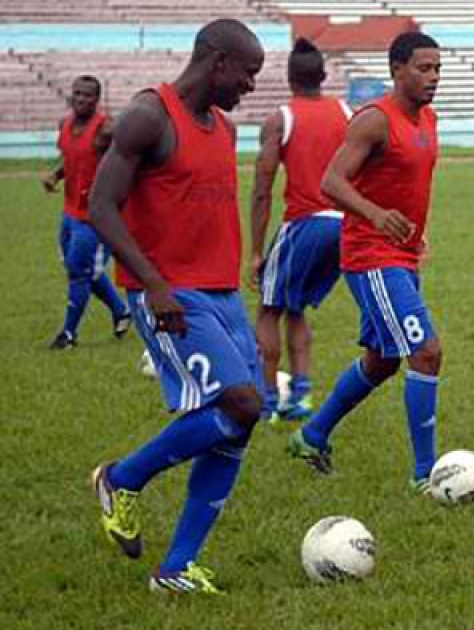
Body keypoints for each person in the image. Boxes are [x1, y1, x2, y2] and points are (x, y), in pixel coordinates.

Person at [87, 19, 265, 594]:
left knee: (243, 419)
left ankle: (177, 567)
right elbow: (102, 206)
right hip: (167, 292)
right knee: (239, 401)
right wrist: (153, 284)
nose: (249, 86)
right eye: (246, 73)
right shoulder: (149, 116)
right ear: (217, 62)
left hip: (222, 293)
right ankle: (121, 478)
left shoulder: (224, 128)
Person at [286, 32, 443, 496]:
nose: (433, 77)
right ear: (396, 69)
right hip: (370, 257)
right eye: (423, 68)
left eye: (438, 69)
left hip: (401, 253)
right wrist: (377, 216)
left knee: (382, 362)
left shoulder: (429, 118)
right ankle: (425, 475)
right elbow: (330, 182)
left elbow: (405, 181)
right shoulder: (374, 120)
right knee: (427, 351)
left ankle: (310, 436)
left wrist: (417, 231)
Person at [249, 38, 352, 425]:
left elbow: (262, 188)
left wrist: (257, 252)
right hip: (344, 225)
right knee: (296, 307)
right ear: (324, 76)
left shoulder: (281, 118)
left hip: (304, 223)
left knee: (268, 309)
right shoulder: (348, 113)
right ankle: (302, 397)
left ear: (290, 78)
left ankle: (269, 400)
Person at [42, 75, 131, 349]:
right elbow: (70, 158)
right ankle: (120, 310)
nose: (81, 99)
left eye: (88, 95)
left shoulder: (106, 130)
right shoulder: (65, 124)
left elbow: (128, 160)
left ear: (97, 99)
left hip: (94, 217)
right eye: (77, 94)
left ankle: (68, 334)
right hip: (69, 212)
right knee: (78, 268)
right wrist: (55, 176)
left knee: (79, 273)